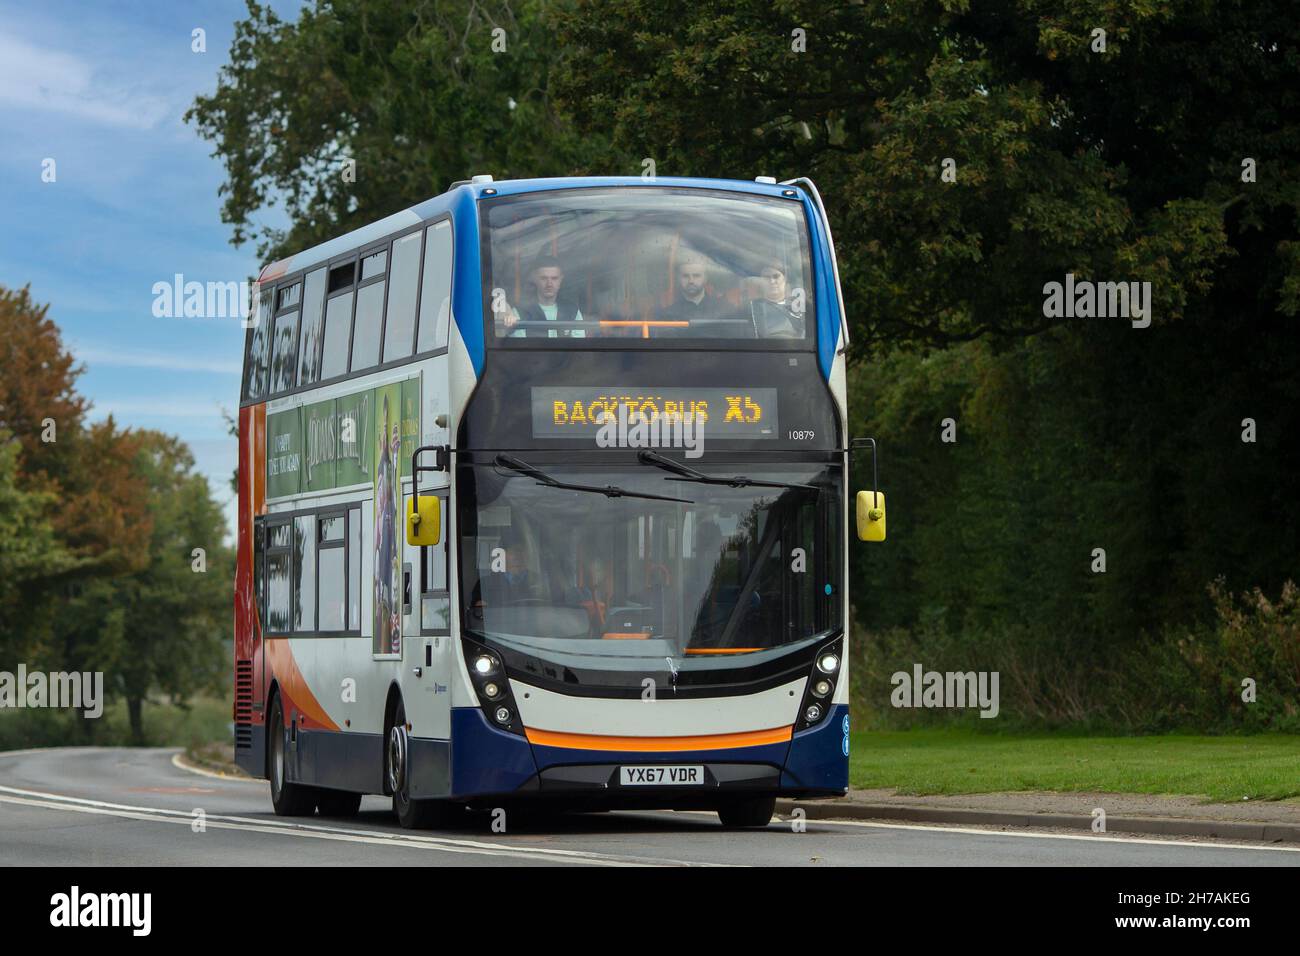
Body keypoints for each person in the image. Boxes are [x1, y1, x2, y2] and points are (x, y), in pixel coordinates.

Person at [494, 255, 586, 338]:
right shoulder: (519, 312)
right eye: (544, 278)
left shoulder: (572, 311)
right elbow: (521, 350)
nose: (549, 284)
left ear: (561, 279)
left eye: (554, 278)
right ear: (534, 278)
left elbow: (579, 347)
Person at [655, 257, 732, 337]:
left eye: (696, 276)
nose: (691, 281)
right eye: (685, 276)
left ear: (705, 278)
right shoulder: (667, 315)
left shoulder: (725, 310)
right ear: (678, 279)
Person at [748, 261, 805, 338]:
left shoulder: (801, 304)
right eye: (766, 278)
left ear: (785, 279)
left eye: (776, 276)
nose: (772, 281)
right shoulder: (753, 307)